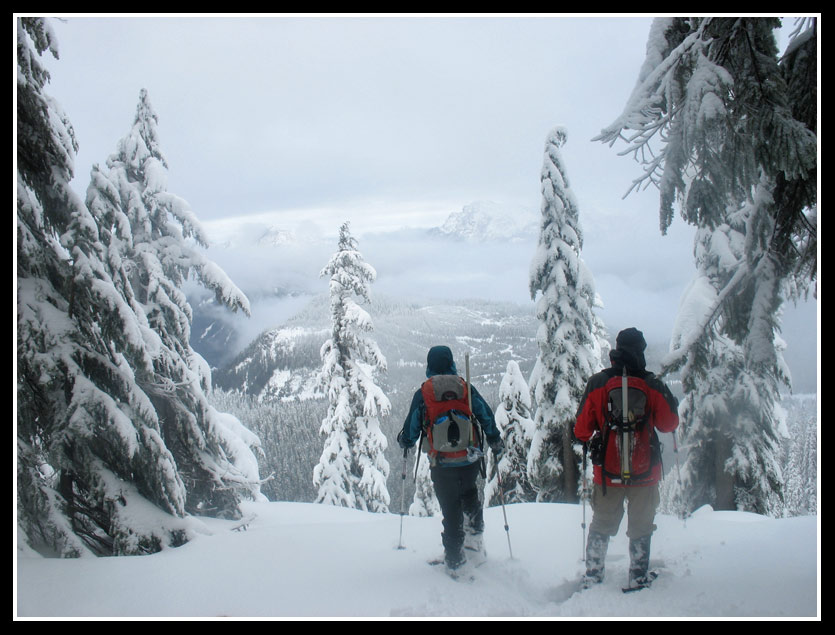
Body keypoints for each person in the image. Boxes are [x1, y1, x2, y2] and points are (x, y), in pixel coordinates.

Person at [574, 327, 679, 590]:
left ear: (617, 350)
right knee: (641, 526)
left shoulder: (598, 383)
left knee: (601, 523)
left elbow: (581, 431)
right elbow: (669, 424)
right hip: (645, 473)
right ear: (641, 351)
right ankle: (638, 576)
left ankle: (593, 575)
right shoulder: (652, 384)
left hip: (608, 474)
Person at [398, 345, 503, 573]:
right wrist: (494, 438)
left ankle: (455, 562)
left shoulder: (424, 393)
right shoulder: (465, 387)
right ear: (452, 363)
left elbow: (412, 428)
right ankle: (474, 542)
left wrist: (404, 441)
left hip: (441, 462)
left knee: (451, 509)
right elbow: (485, 415)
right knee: (469, 495)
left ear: (429, 366)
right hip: (469, 459)